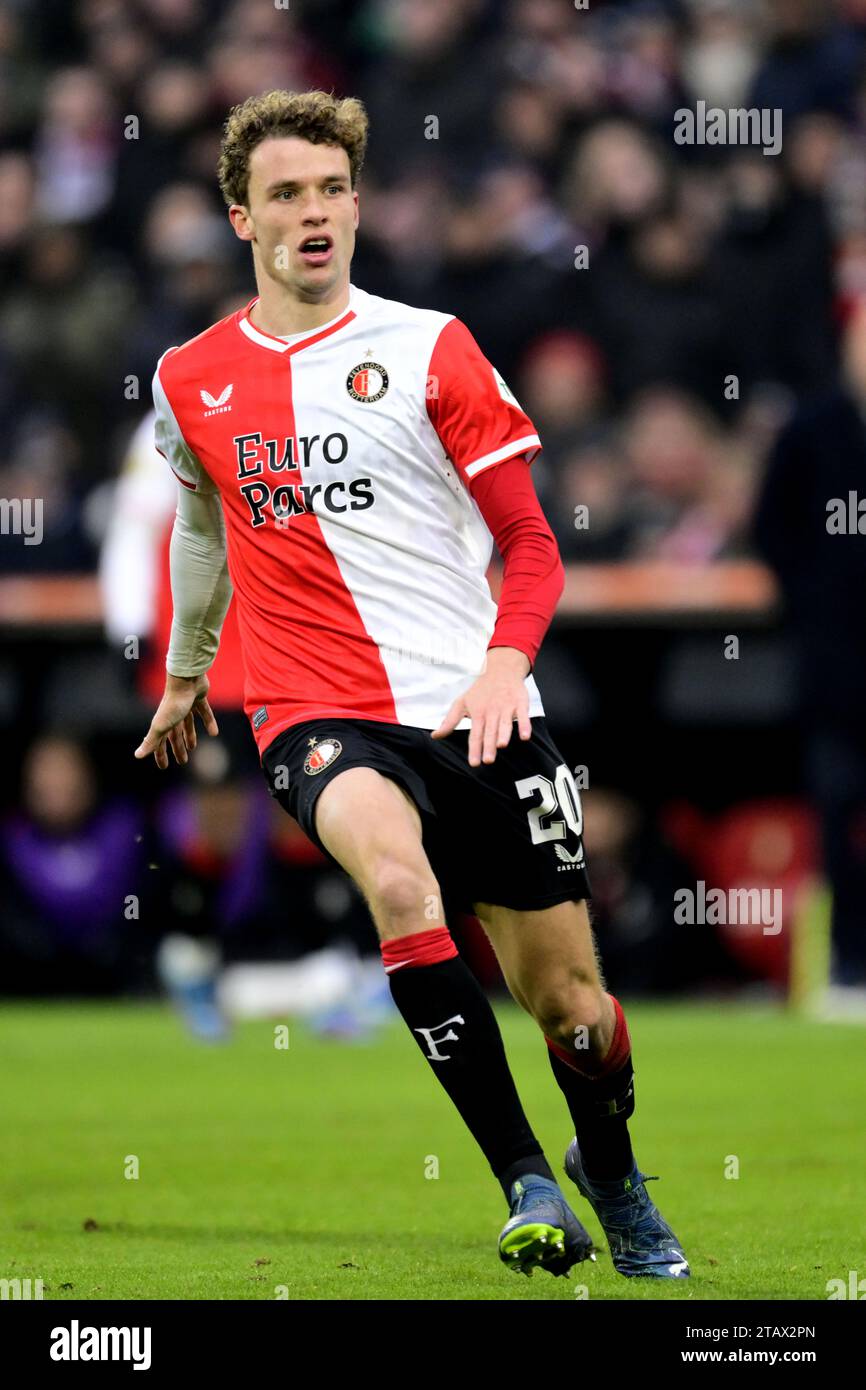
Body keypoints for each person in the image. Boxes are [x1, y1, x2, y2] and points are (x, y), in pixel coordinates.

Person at [134, 88, 688, 1282]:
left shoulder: (431, 346)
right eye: (286, 192)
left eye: (332, 188)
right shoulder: (192, 377)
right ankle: (523, 1180)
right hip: (312, 711)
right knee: (397, 879)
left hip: (472, 706)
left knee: (575, 1015)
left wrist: (502, 663)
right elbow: (198, 521)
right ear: (242, 218)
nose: (315, 211)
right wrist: (187, 672)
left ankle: (613, 1170)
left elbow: (530, 544)